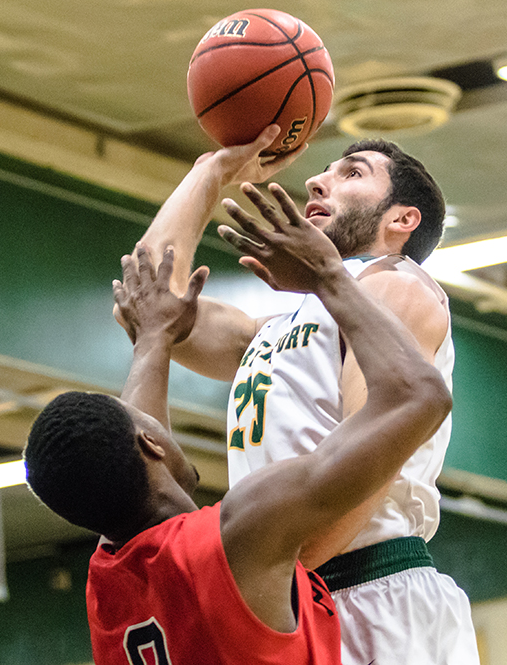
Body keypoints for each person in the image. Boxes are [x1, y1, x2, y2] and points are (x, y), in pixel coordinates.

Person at [125, 126, 479, 664]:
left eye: (352, 173)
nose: (316, 180)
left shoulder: (396, 285)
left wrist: (286, 573)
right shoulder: (278, 323)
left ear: (402, 219)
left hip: (368, 588)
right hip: (295, 584)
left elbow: (374, 452)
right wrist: (213, 171)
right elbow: (150, 303)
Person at [23, 223, 452, 664]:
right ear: (152, 444)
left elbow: (138, 432)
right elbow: (421, 397)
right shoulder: (244, 531)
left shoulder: (108, 587)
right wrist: (328, 276)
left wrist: (154, 337)